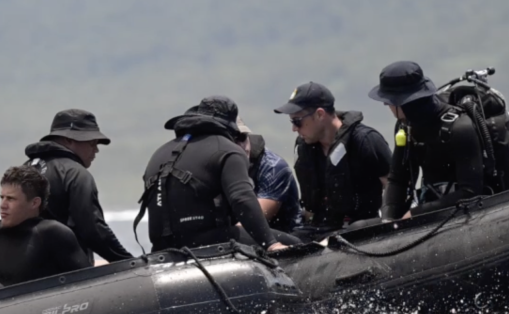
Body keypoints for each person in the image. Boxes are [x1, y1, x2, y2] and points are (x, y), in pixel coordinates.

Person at [138, 96, 288, 252]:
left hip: (161, 248)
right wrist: (271, 244)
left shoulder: (159, 153)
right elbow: (241, 199)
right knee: (296, 242)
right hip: (206, 242)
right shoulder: (228, 150)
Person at [369, 61, 485, 218]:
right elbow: (397, 180)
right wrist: (388, 219)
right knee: (358, 227)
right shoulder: (406, 127)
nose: (385, 104)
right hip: (429, 210)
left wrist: (415, 213)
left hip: (464, 213)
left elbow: (470, 192)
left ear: (402, 102)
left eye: (388, 101)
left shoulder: (459, 128)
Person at [273, 81, 391, 230]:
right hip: (320, 230)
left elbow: (396, 188)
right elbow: (310, 210)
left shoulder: (365, 140)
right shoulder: (304, 146)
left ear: (319, 114)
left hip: (361, 231)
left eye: (298, 121)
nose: (294, 128)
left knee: (356, 227)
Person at [24, 109, 134, 264]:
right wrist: (128, 262)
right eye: (91, 143)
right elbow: (92, 229)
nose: (96, 149)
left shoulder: (24, 169)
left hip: (24, 271)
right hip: (64, 273)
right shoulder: (75, 173)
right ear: (68, 140)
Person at [0, 166, 91, 286]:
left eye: (11, 199)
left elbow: (89, 282)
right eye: (2, 197)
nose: (3, 205)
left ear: (34, 203)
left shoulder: (53, 234)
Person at [237, 119, 302, 233]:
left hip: (285, 236)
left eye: (242, 137)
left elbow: (255, 220)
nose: (243, 147)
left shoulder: (273, 167)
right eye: (232, 140)